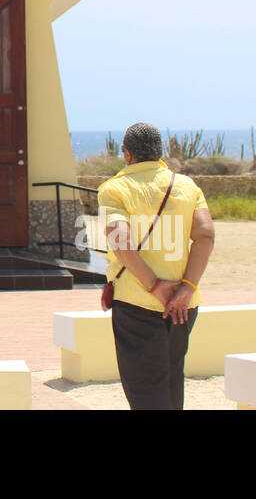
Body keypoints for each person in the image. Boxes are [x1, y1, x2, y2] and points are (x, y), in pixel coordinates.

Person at [98, 122, 215, 410]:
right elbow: (206, 235)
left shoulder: (114, 189)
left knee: (145, 389)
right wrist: (185, 289)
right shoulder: (186, 186)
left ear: (127, 154)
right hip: (184, 305)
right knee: (172, 378)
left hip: (137, 303)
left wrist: (155, 287)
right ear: (159, 153)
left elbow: (120, 242)